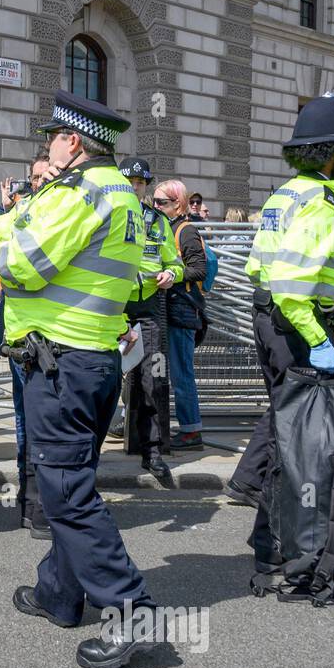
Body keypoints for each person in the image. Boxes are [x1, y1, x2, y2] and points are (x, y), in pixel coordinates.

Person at [0, 90, 163, 668]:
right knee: (69, 478)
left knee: (64, 488)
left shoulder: (81, 191)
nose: (47, 144)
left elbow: (23, 265)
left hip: (61, 361)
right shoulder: (122, 196)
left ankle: (132, 612)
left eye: (52, 137)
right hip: (94, 358)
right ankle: (60, 593)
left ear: (73, 142)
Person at [233, 94, 334, 581]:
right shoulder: (325, 203)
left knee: (287, 426)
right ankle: (274, 542)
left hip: (272, 321)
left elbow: (260, 267)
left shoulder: (285, 193)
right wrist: (322, 339)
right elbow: (293, 289)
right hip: (296, 326)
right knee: (296, 439)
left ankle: (269, 536)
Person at [0, 149, 52, 539]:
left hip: (58, 344)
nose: (38, 184)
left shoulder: (61, 215)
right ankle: (28, 501)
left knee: (45, 429)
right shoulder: (18, 216)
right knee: (24, 424)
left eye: (44, 176)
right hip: (21, 345)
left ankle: (41, 506)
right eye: (34, 178)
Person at [117, 157, 181, 478]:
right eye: (130, 182)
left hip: (148, 310)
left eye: (140, 183)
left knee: (152, 380)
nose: (135, 187)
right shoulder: (111, 215)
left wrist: (171, 272)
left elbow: (176, 263)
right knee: (101, 378)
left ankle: (152, 452)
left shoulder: (158, 221)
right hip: (113, 307)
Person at [156, 179, 208, 450]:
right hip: (171, 311)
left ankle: (191, 431)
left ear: (178, 203)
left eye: (161, 202)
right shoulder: (168, 228)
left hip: (182, 311)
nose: (155, 207)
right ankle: (184, 429)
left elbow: (199, 270)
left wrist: (172, 275)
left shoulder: (185, 231)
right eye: (153, 202)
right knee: (170, 373)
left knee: (181, 373)